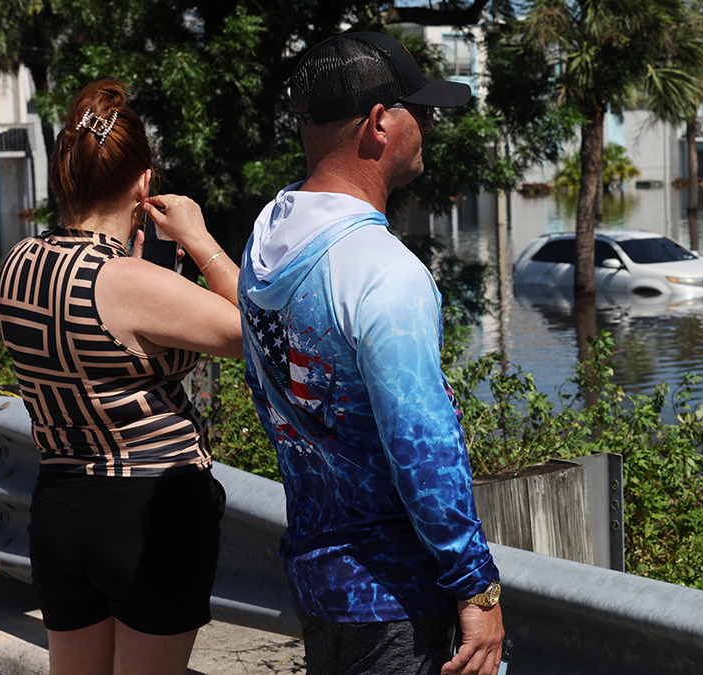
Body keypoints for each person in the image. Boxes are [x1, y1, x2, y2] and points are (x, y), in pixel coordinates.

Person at [237, 32, 504, 675]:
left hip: (317, 580)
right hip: (397, 600)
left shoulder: (269, 236)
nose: (430, 125)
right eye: (421, 111)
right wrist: (477, 585)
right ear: (380, 124)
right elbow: (422, 445)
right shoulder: (384, 273)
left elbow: (269, 385)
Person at [0, 79, 243, 675]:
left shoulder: (17, 265)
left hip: (60, 506)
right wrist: (197, 238)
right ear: (143, 183)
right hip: (150, 509)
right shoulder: (133, 285)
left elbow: (89, 352)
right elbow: (254, 332)